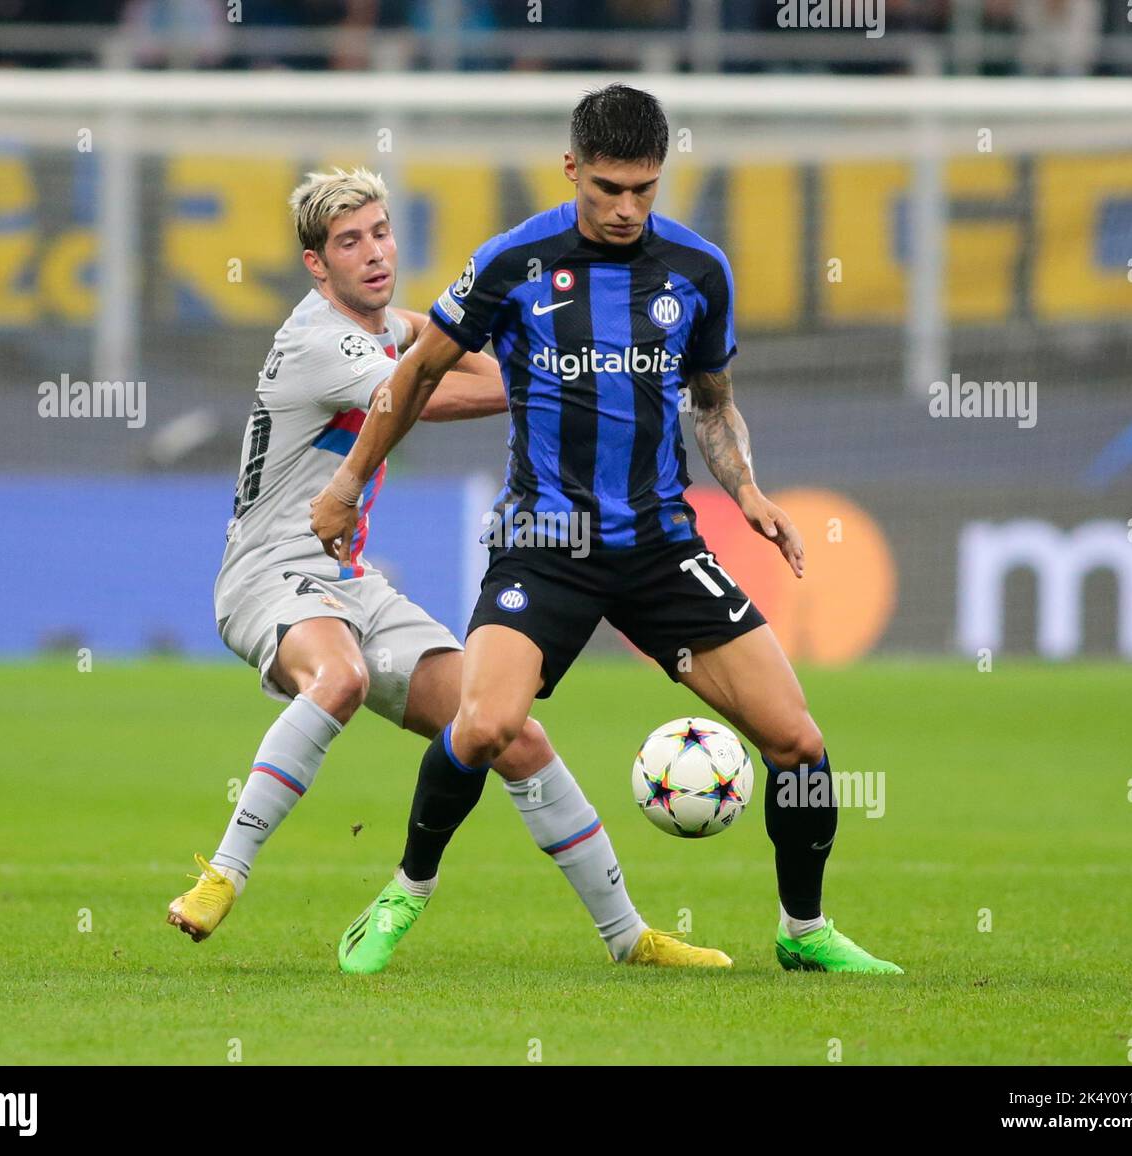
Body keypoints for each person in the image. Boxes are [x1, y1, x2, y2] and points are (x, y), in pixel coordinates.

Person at [311, 88, 903, 975]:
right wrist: (349, 483)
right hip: (547, 546)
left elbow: (715, 406)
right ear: (571, 170)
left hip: (663, 547)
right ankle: (407, 890)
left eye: (645, 189)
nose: (627, 208)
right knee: (483, 724)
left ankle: (804, 930)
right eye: (608, 188)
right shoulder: (514, 263)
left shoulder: (698, 271)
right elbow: (417, 372)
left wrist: (745, 487)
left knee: (798, 742)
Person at [167, 165, 732, 974]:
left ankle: (628, 937)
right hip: (267, 575)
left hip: (347, 580)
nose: (373, 253)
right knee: (340, 678)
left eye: (381, 233)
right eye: (348, 243)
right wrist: (561, 376)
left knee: (505, 731)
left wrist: (548, 367)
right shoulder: (318, 343)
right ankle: (222, 875)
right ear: (316, 266)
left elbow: (460, 359)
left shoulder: (380, 325)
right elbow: (420, 395)